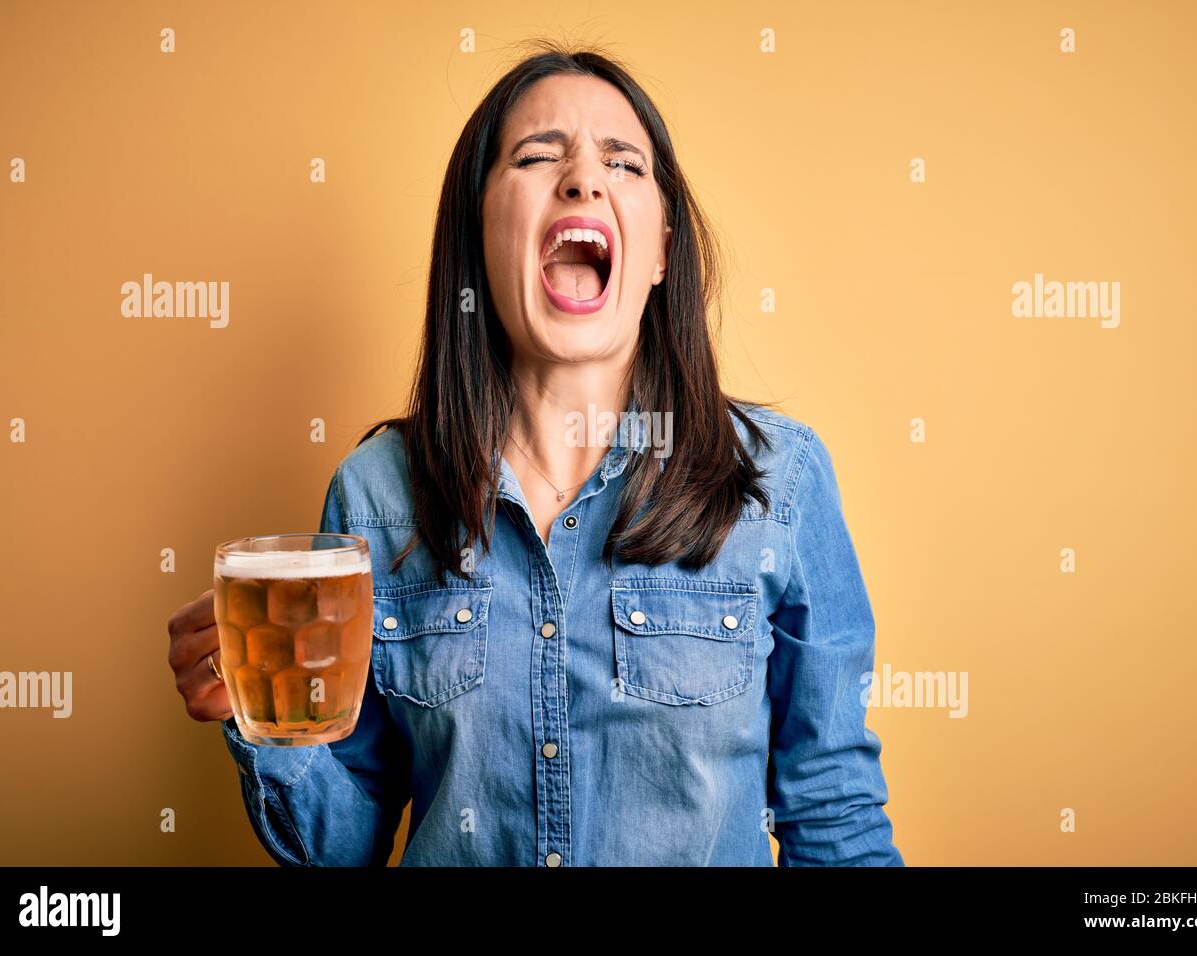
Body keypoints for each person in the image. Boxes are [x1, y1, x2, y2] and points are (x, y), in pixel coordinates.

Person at [166, 42, 905, 867]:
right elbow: (346, 846)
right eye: (537, 156)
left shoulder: (780, 482)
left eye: (623, 163)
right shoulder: (375, 497)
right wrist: (267, 726)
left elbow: (833, 818)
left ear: (660, 250)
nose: (584, 178)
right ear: (479, 234)